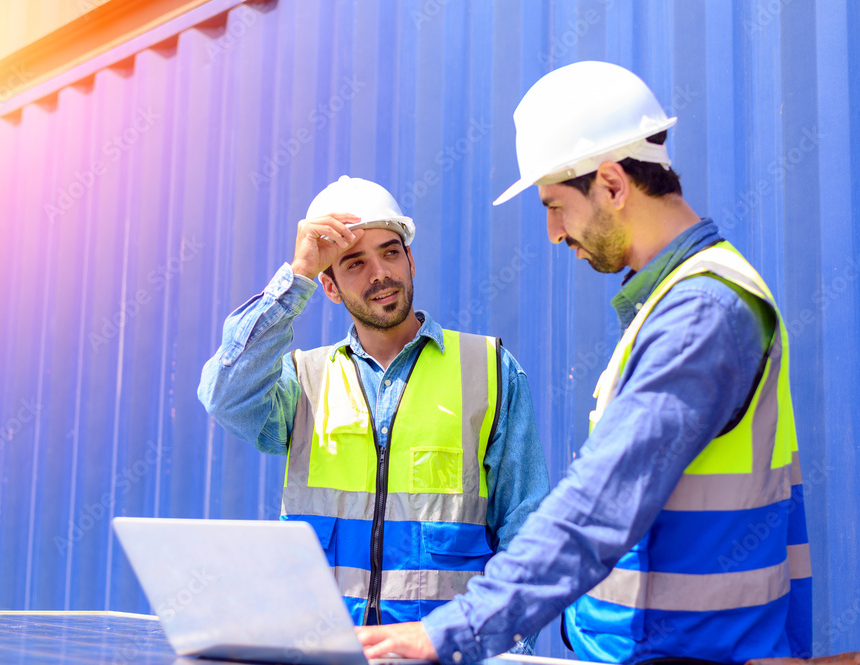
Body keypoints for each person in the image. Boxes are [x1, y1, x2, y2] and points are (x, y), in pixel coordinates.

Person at [357, 61, 812, 664]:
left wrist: (450, 633)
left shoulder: (700, 312)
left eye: (555, 205)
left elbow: (599, 506)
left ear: (613, 184)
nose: (552, 232)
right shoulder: (676, 300)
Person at [197, 176, 550, 643]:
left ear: (411, 260)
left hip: (444, 653)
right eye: (354, 262)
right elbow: (224, 394)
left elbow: (525, 530)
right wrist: (296, 275)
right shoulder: (303, 381)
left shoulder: (488, 370)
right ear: (329, 286)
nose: (380, 273)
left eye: (389, 252)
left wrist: (508, 647)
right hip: (323, 650)